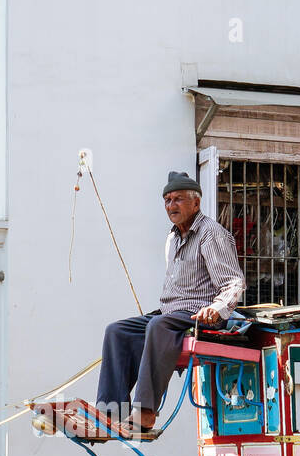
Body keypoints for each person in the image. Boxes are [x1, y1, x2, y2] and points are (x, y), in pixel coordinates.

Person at [96, 171, 245, 435]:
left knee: (159, 326)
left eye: (177, 199)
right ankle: (111, 411)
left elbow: (233, 282)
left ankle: (145, 413)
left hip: (200, 312)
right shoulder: (172, 237)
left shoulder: (211, 234)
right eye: (167, 200)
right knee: (117, 331)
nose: (171, 206)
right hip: (171, 313)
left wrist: (217, 308)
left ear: (196, 203)